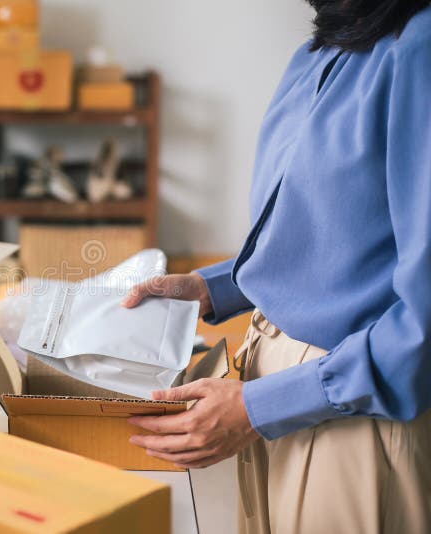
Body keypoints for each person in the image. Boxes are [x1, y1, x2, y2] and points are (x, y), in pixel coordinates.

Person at [123, 1, 431, 533]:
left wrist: (260, 407)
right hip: (272, 394)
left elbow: (424, 323)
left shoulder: (420, 48)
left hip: (353, 417)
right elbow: (330, 235)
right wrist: (211, 286)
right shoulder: (323, 47)